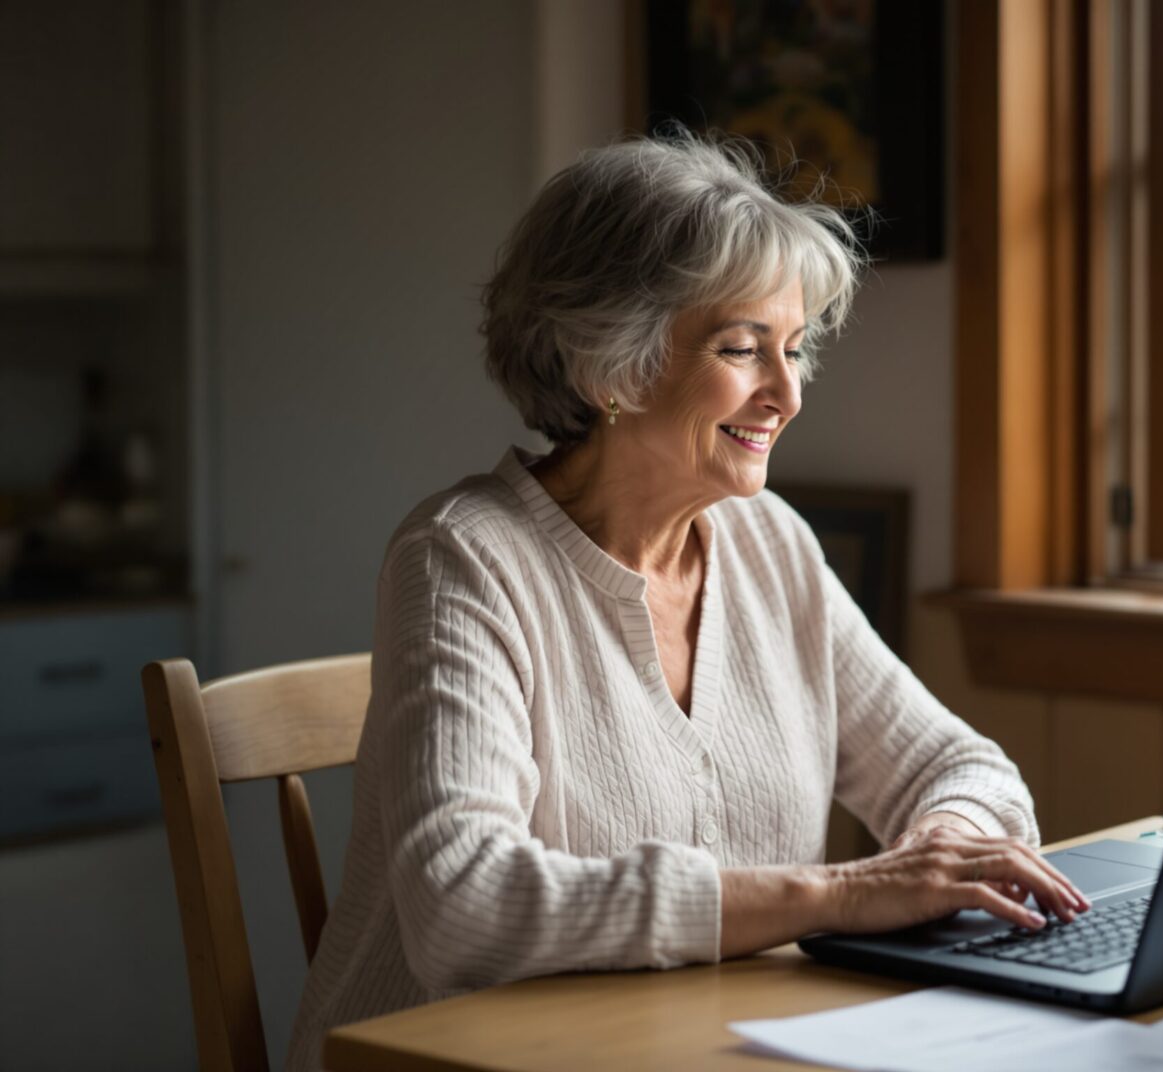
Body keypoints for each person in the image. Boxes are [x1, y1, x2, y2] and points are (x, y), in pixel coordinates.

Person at [286, 134, 1086, 1071]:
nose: (785, 394)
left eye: (793, 349)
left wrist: (941, 852)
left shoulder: (769, 543)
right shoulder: (463, 557)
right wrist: (840, 894)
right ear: (610, 367)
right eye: (743, 349)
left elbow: (959, 765)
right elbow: (464, 907)